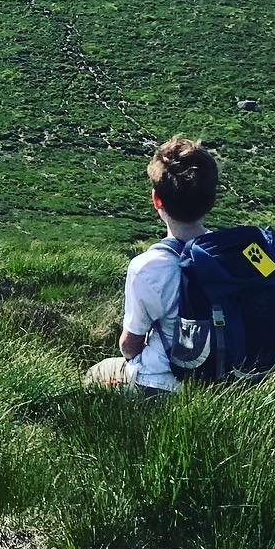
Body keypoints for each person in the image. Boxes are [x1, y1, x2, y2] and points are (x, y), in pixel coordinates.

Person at [84, 135, 220, 394]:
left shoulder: (147, 267)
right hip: (228, 379)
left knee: (96, 374)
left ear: (157, 200)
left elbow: (130, 344)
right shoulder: (232, 255)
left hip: (164, 384)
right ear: (211, 201)